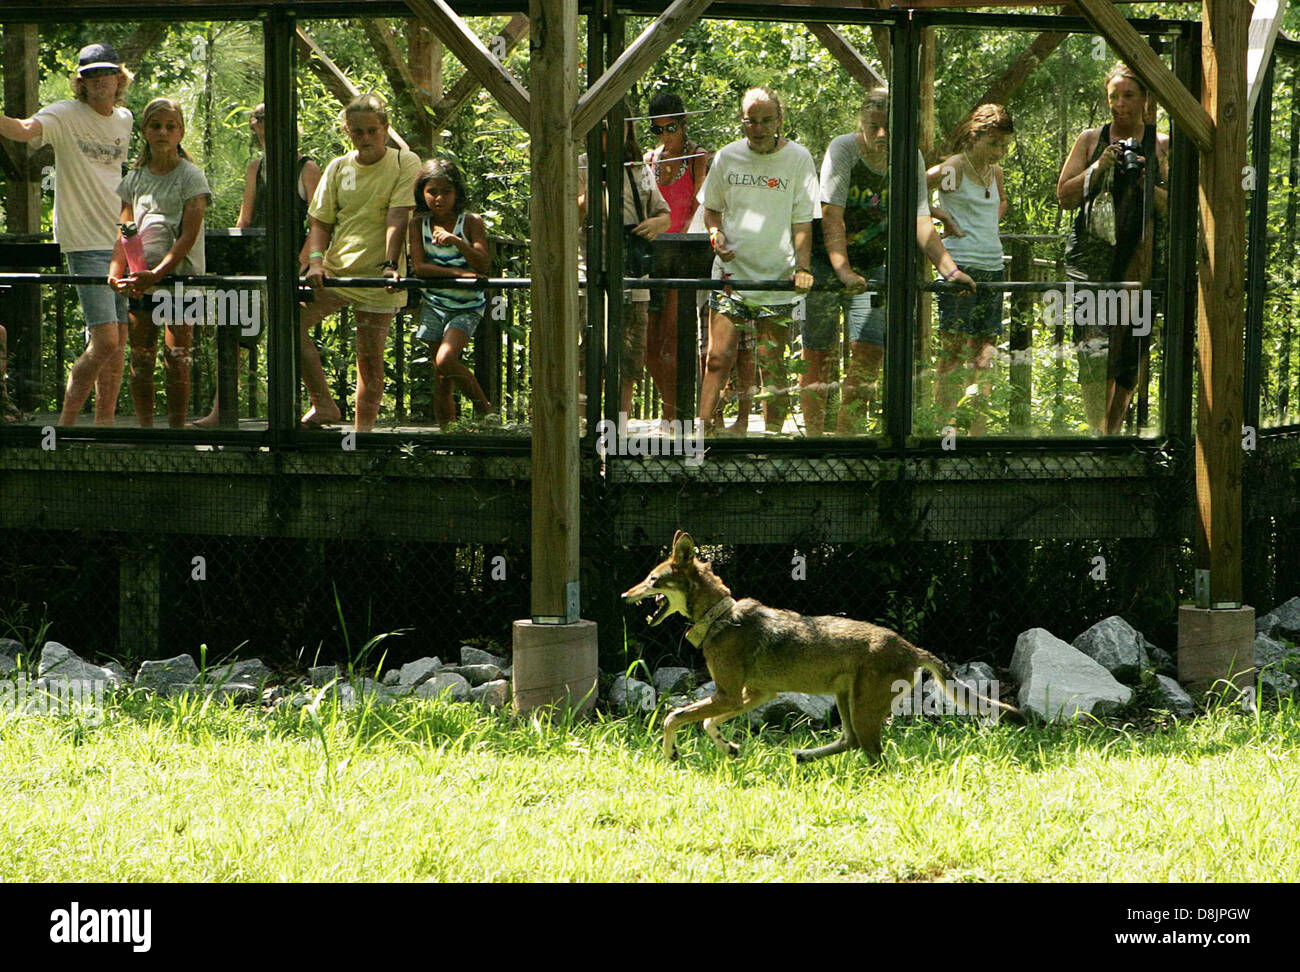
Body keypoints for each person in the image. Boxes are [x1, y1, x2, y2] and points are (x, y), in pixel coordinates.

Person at [803, 88, 975, 436]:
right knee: (818, 352)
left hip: (874, 263)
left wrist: (950, 271)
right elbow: (830, 215)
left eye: (889, 128)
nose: (881, 135)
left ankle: (846, 439)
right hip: (827, 260)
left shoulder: (909, 158)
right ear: (861, 123)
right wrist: (843, 271)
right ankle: (813, 442)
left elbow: (919, 220)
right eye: (873, 126)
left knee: (869, 352)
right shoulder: (844, 149)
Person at [0, 42, 133, 426]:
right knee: (104, 340)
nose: (100, 82)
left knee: (118, 342)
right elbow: (23, 130)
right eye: (91, 75)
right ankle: (66, 426)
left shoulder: (124, 119)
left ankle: (104, 427)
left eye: (106, 73)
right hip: (83, 242)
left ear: (118, 78)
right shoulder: (64, 115)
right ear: (81, 82)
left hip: (120, 243)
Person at [698, 87, 820, 436]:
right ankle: (703, 432)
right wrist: (714, 235)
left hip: (777, 276)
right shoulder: (726, 157)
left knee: (772, 362)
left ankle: (771, 438)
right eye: (751, 121)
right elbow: (711, 210)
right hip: (731, 274)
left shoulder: (798, 159)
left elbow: (803, 220)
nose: (759, 128)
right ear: (742, 122)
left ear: (780, 121)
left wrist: (803, 266)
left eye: (767, 120)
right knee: (717, 357)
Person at [193, 102, 321, 428]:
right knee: (233, 329)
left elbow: (320, 222)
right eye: (261, 123)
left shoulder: (306, 169)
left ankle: (312, 407)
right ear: (255, 129)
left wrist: (303, 262)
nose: (266, 130)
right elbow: (245, 218)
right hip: (255, 261)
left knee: (291, 333)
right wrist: (236, 257)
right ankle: (223, 410)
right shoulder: (257, 168)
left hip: (292, 265)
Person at [1057, 63, 1168, 435]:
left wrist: (1144, 180)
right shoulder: (1091, 139)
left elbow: (1175, 207)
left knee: (1130, 351)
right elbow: (1064, 196)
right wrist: (1098, 168)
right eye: (1113, 97)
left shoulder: (1161, 143)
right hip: (1092, 260)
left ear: (1145, 99)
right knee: (1093, 346)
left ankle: (1113, 433)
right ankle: (1096, 434)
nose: (1120, 104)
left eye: (1129, 96)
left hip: (1140, 259)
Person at [299, 93, 420, 433]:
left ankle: (362, 434)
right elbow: (321, 221)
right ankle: (323, 404)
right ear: (347, 131)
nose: (365, 139)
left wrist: (389, 263)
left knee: (369, 358)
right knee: (289, 327)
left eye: (372, 131)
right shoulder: (339, 167)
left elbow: (398, 215)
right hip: (338, 271)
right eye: (357, 132)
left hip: (378, 276)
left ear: (385, 128)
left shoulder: (403, 162)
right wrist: (317, 263)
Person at [111, 97, 211, 429]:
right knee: (140, 358)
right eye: (156, 126)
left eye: (170, 126)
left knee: (177, 359)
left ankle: (178, 431)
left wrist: (158, 273)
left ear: (181, 132)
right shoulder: (135, 178)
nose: (163, 132)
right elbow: (126, 228)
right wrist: (117, 273)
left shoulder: (191, 177)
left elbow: (188, 236)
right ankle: (146, 431)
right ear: (145, 131)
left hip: (180, 281)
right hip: (141, 279)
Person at [578, 113, 672, 421]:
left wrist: (654, 224)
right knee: (587, 356)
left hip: (633, 275)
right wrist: (590, 196)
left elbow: (664, 215)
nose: (610, 134)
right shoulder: (579, 165)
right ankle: (585, 429)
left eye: (618, 126)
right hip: (589, 276)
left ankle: (617, 428)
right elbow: (564, 214)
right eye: (603, 127)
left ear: (629, 128)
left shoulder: (639, 169)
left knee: (630, 358)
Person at [928, 104, 1014, 435]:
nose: (999, 151)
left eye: (1004, 145)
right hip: (959, 265)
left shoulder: (996, 173)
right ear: (974, 136)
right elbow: (917, 188)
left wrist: (987, 222)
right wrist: (942, 216)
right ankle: (944, 427)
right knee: (953, 348)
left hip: (992, 265)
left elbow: (1001, 201)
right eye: (993, 143)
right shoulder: (955, 168)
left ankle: (977, 431)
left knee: (985, 351)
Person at [407, 158, 494, 425]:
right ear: (422, 193)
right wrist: (459, 274)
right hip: (434, 304)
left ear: (457, 193)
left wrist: (456, 241)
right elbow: (420, 267)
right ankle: (448, 433)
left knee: (446, 360)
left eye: (446, 191)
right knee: (441, 376)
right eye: (432, 191)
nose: (439, 198)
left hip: (467, 306)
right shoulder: (417, 224)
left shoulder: (470, 222)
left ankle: (485, 411)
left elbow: (483, 263)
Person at [643, 91, 711, 426]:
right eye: (657, 130)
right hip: (650, 258)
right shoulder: (648, 160)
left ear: (683, 123)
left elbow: (701, 207)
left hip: (684, 257)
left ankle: (680, 414)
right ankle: (671, 406)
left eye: (671, 127)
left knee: (672, 339)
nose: (665, 136)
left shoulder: (699, 157)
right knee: (647, 345)